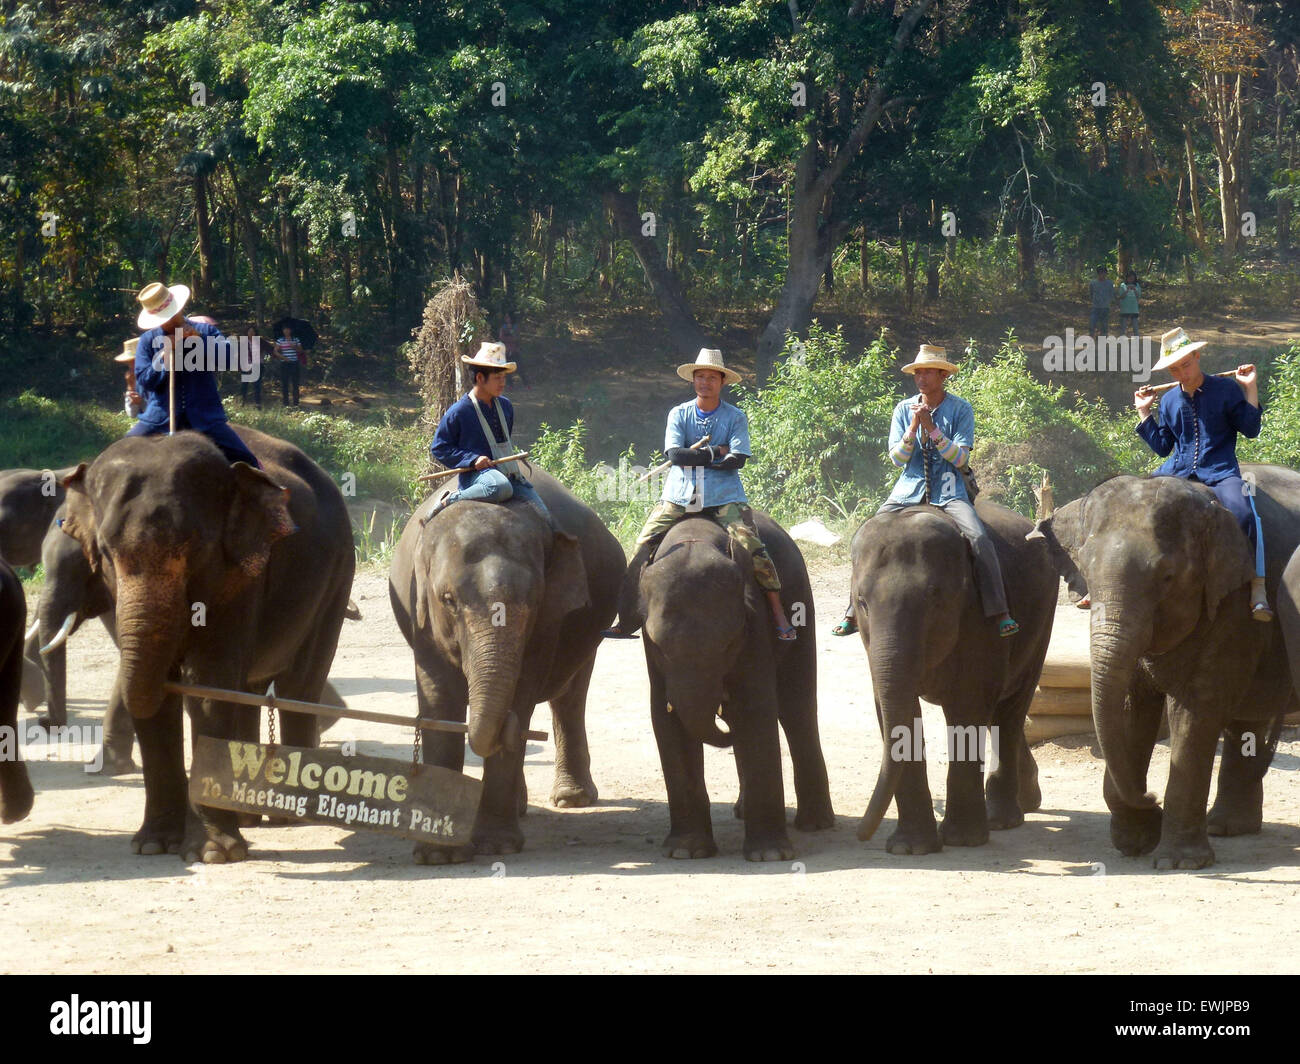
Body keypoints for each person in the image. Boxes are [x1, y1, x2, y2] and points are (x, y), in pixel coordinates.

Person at [602, 348, 795, 641]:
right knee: (642, 545)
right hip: (679, 495)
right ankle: (627, 617)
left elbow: (738, 459)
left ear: (722, 382)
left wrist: (705, 457)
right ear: (693, 380)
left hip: (723, 495)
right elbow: (676, 455)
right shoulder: (678, 413)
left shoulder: (735, 417)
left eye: (711, 378)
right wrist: (716, 451)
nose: (705, 382)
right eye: (700, 377)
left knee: (753, 546)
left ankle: (777, 612)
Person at [833, 344, 1018, 638]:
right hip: (907, 490)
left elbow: (960, 458)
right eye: (918, 372)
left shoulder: (961, 409)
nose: (921, 377)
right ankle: (853, 610)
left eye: (928, 371)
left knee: (979, 538)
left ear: (943, 375)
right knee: (864, 536)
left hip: (949, 491)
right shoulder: (902, 409)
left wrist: (932, 429)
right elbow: (897, 460)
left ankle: (999, 610)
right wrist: (912, 429)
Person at [1135, 325, 1269, 619]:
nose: (1182, 373)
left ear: (1197, 355)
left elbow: (1251, 429)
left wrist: (1250, 387)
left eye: (1186, 364)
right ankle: (1126, 580)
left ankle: (1257, 587)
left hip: (1220, 471)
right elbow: (1162, 447)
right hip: (1177, 471)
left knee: (1245, 514)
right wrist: (1145, 412)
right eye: (1175, 369)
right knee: (1132, 505)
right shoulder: (1169, 401)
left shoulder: (1226, 389)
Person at [421, 341, 554, 526]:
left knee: (545, 518)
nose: (503, 383)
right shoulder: (459, 411)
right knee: (499, 487)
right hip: (480, 477)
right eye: (497, 377)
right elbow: (439, 447)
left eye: (504, 377)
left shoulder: (506, 406)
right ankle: (450, 499)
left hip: (508, 473)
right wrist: (473, 460)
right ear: (481, 378)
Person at [130, 281, 259, 466]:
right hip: (159, 420)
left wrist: (201, 342)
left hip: (205, 418)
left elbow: (229, 359)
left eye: (171, 314)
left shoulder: (207, 331)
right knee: (119, 451)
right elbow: (144, 381)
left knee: (247, 459)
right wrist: (166, 355)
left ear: (179, 309)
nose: (170, 321)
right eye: (163, 318)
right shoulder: (147, 341)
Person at [274, 325, 306, 407]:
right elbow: (275, 351)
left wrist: (294, 347)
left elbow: (301, 350)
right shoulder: (280, 340)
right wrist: (283, 357)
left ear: (290, 330)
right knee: (285, 383)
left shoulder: (295, 339)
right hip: (284, 363)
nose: (286, 331)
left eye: (288, 329)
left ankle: (296, 403)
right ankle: (286, 403)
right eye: (285, 329)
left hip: (294, 363)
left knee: (295, 383)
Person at [113, 340, 143, 420]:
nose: (131, 365)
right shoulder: (132, 378)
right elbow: (132, 413)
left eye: (134, 361)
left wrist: (142, 401)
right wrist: (131, 386)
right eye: (129, 362)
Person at [240, 325, 264, 408]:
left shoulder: (259, 341)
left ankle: (257, 403)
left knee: (257, 384)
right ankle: (243, 401)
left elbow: (265, 350)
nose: (251, 333)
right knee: (244, 384)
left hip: (258, 364)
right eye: (249, 331)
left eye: (253, 331)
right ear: (246, 333)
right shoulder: (243, 342)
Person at [1089, 265, 1115, 338]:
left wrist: (1110, 303)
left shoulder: (1110, 283)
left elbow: (1111, 294)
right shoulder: (1093, 283)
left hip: (1105, 307)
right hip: (1095, 307)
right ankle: (1091, 337)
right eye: (1101, 273)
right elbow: (1091, 293)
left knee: (1104, 324)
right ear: (1098, 274)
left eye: (1104, 273)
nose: (1102, 275)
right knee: (1092, 323)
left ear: (1106, 274)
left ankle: (1103, 339)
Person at [1118, 270, 1141, 337]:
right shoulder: (1123, 285)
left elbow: (1138, 296)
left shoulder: (1137, 285)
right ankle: (1122, 339)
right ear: (1127, 278)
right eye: (1129, 278)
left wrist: (1134, 289)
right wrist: (1127, 290)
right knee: (1124, 326)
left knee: (1135, 326)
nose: (1131, 279)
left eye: (1132, 278)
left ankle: (1136, 339)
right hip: (1125, 308)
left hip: (1134, 308)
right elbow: (1121, 296)